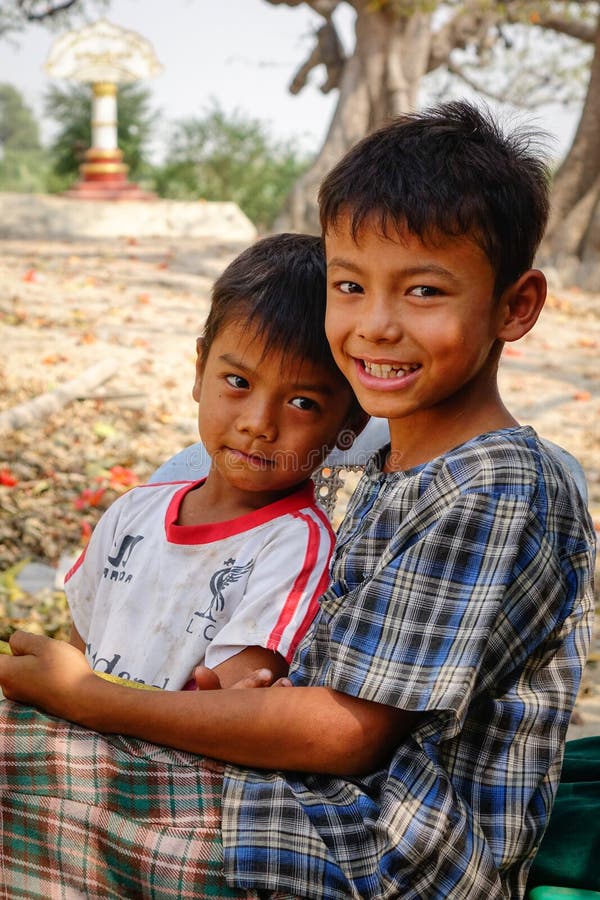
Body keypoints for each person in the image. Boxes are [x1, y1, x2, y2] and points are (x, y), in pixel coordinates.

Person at [0, 101, 595, 900]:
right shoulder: (382, 462)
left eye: (422, 291)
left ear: (515, 307)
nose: (375, 326)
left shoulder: (500, 485)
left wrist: (94, 699)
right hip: (294, 805)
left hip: (377, 854)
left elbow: (344, 733)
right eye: (350, 285)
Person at [64, 232, 365, 692]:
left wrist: (79, 698)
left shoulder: (295, 547)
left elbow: (219, 705)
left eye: (302, 403)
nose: (258, 424)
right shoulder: (132, 513)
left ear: (351, 422)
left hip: (165, 760)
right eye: (238, 381)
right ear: (200, 371)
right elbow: (73, 659)